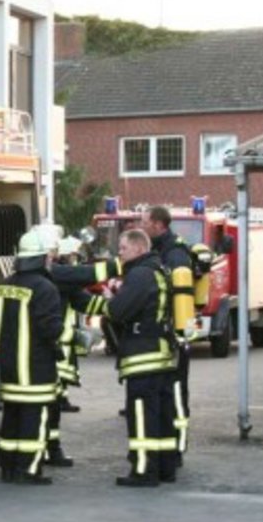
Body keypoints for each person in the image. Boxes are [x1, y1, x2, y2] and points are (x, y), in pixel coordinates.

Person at [77, 229, 179, 486]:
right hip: (160, 354)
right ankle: (165, 467)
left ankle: (144, 471)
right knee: (161, 417)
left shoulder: (140, 274)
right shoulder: (157, 271)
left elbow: (119, 311)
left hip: (143, 357)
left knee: (142, 417)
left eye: (122, 249)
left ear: (138, 249)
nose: (119, 254)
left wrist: (109, 300)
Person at [0, 225, 64, 484]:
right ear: (42, 257)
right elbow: (50, 329)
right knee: (35, 420)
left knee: (11, 420)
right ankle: (29, 469)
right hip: (36, 370)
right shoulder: (45, 288)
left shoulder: (5, 285)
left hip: (10, 370)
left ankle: (8, 468)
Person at [47, 234, 124, 467]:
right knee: (44, 407)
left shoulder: (54, 276)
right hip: (45, 353)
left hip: (50, 351)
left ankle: (45, 450)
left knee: (46, 407)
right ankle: (47, 451)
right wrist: (119, 264)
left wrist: (118, 306)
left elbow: (84, 301)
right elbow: (87, 275)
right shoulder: (53, 273)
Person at [142, 206, 194, 467]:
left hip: (175, 338)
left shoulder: (174, 253)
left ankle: (177, 451)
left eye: (145, 222)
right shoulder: (163, 249)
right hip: (167, 336)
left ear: (158, 224)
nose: (142, 227)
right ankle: (171, 452)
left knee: (175, 395)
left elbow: (174, 296)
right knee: (168, 395)